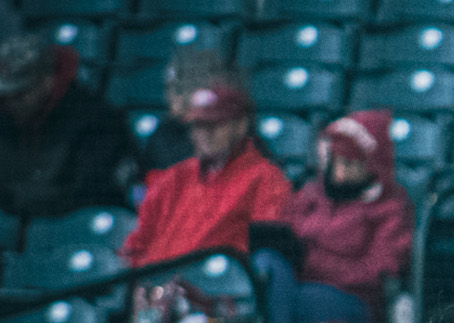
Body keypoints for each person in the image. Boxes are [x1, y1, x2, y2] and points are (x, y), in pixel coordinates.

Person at [252, 108, 415, 323]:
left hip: (355, 301)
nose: (340, 174)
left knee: (271, 302)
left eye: (351, 165)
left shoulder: (393, 206)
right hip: (293, 287)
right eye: (336, 162)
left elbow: (380, 271)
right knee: (266, 262)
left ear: (373, 164)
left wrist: (311, 260)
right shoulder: (310, 194)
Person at [121, 82, 290, 269]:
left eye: (214, 126)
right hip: (156, 285)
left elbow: (264, 255)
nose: (204, 134)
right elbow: (138, 245)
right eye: (198, 126)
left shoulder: (266, 179)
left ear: (240, 125)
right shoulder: (174, 178)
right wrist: (139, 287)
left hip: (213, 288)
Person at [0, 33, 136, 220]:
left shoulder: (97, 120)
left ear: (47, 80)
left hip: (73, 231)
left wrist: (17, 198)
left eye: (20, 94)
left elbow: (89, 194)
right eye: (6, 95)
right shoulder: (6, 116)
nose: (10, 103)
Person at [141, 47, 234, 177]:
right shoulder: (163, 136)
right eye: (169, 88)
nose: (170, 96)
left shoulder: (234, 129)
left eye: (179, 88)